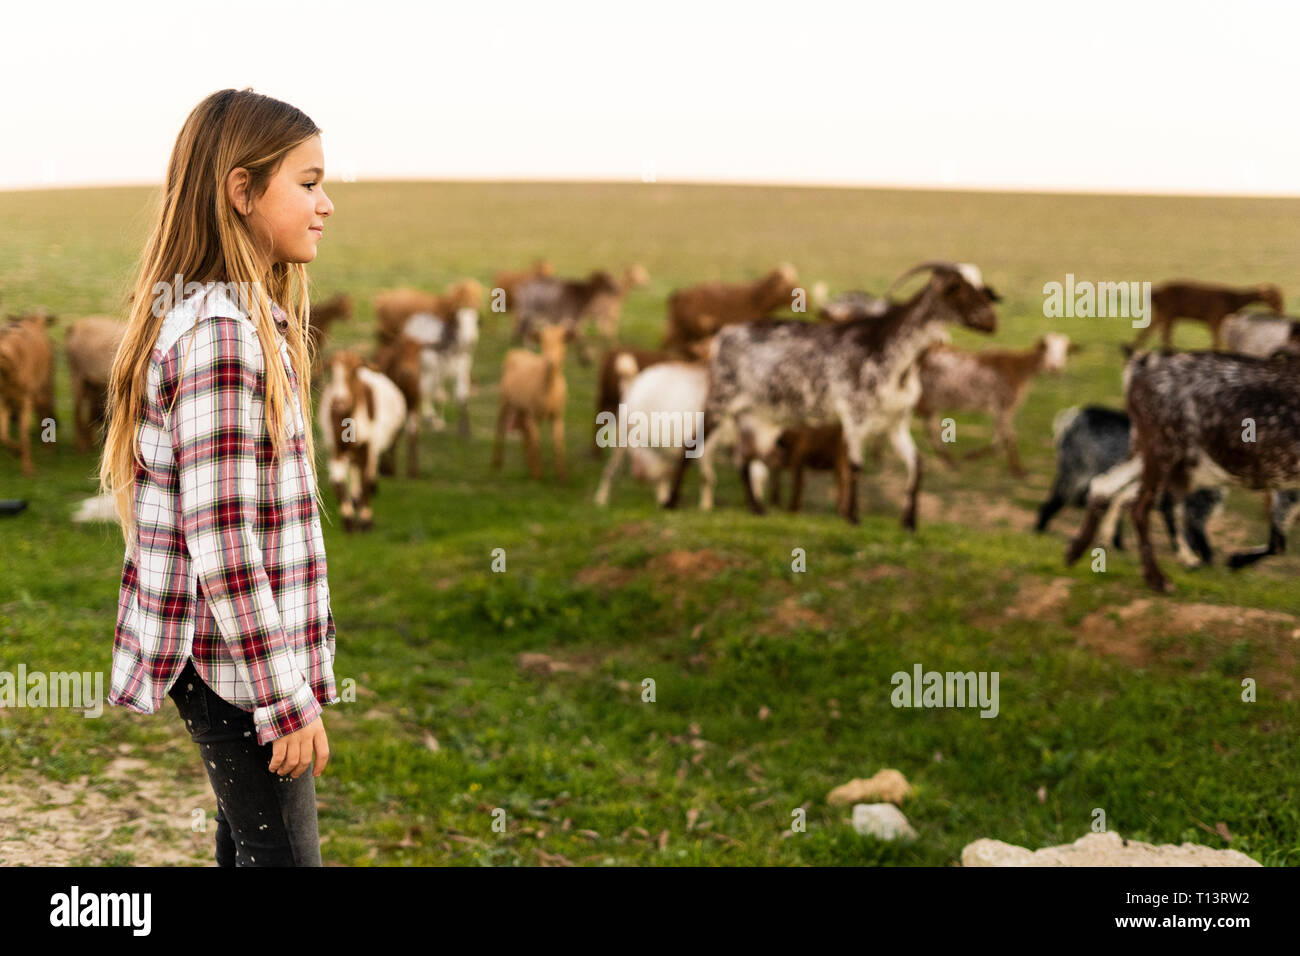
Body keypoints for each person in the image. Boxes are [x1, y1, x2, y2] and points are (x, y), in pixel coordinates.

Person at [98, 88, 337, 867]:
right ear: (242, 191)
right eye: (306, 182)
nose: (325, 203)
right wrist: (284, 700)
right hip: (235, 670)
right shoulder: (221, 338)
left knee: (249, 847)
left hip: (234, 663)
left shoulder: (234, 319)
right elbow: (225, 543)